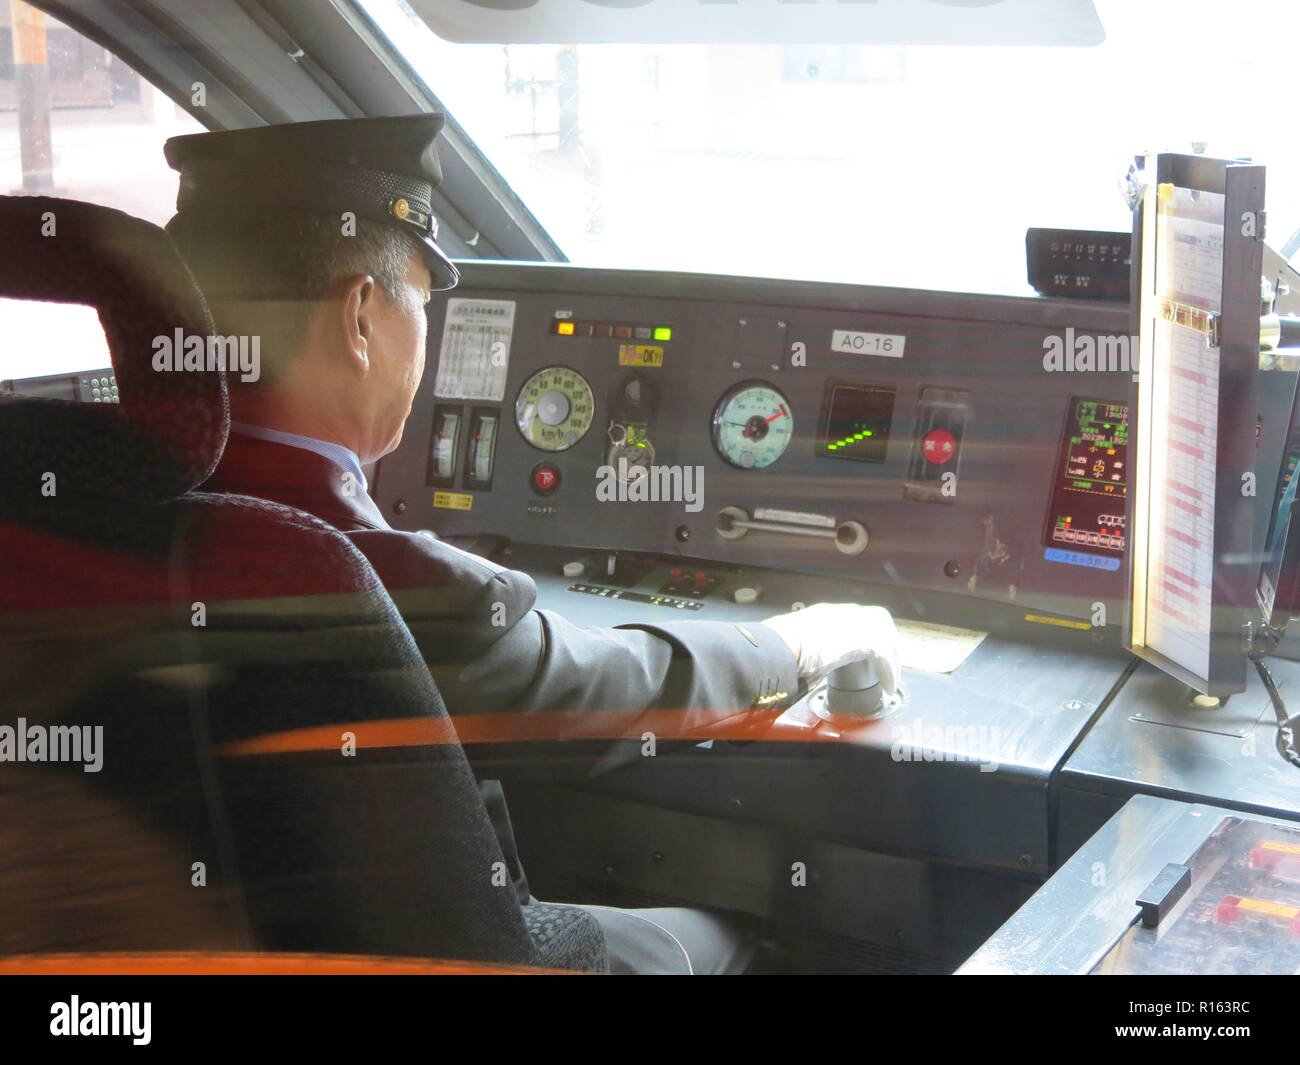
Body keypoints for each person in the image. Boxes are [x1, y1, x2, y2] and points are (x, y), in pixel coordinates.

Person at [163, 114, 901, 974]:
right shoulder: (367, 580)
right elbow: (620, 690)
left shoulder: (73, 510)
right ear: (361, 316)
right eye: (420, 299)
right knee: (753, 933)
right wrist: (805, 639)